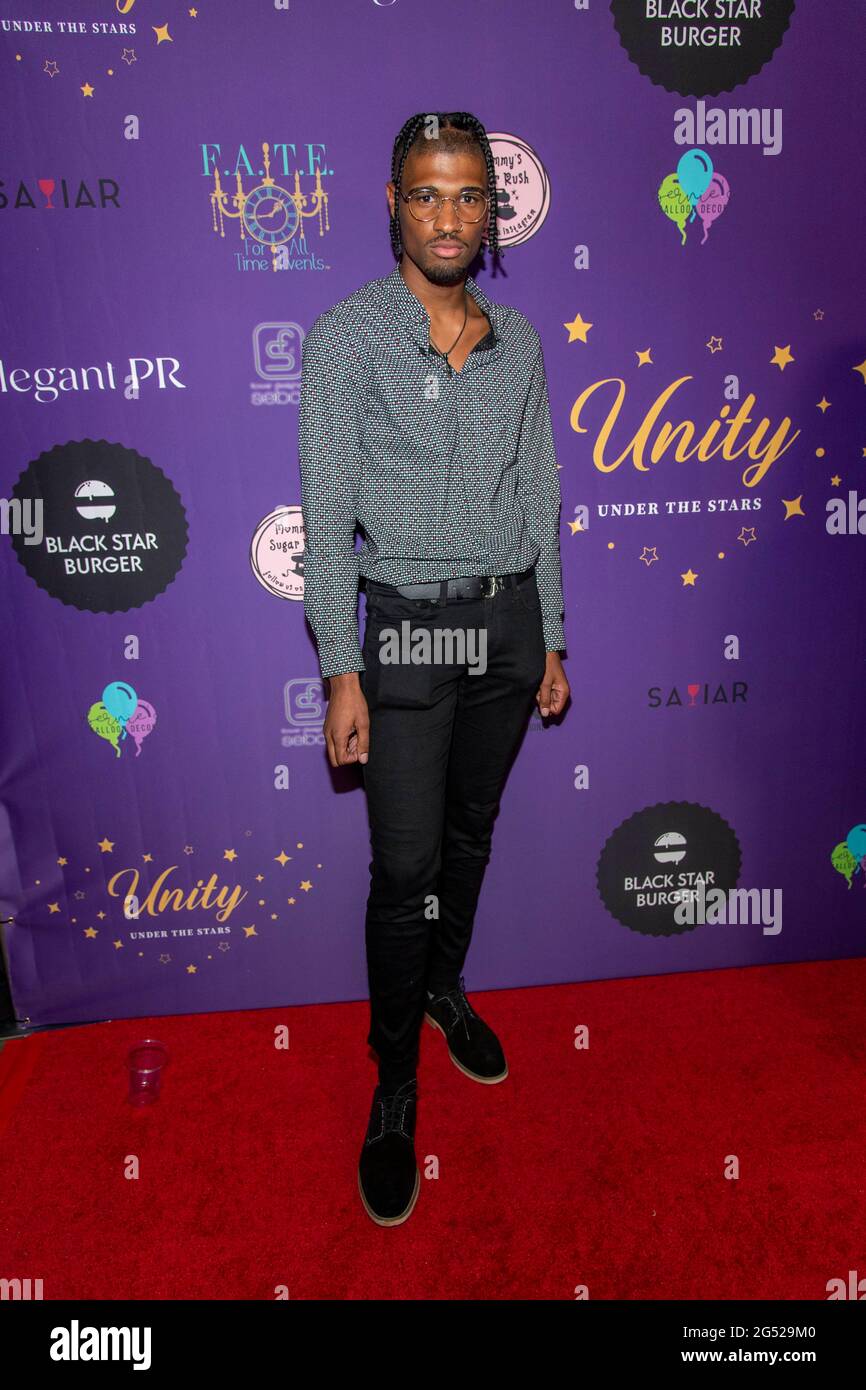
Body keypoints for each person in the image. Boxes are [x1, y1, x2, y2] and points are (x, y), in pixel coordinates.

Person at [298, 110, 570, 1226]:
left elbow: (541, 495)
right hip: (407, 629)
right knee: (401, 869)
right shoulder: (346, 337)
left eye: (469, 195)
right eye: (427, 194)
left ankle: (448, 989)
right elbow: (324, 517)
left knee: (469, 832)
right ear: (393, 204)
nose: (449, 215)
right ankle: (394, 1081)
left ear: (490, 209)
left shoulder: (517, 341)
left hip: (504, 625)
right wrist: (340, 669)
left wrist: (549, 633)